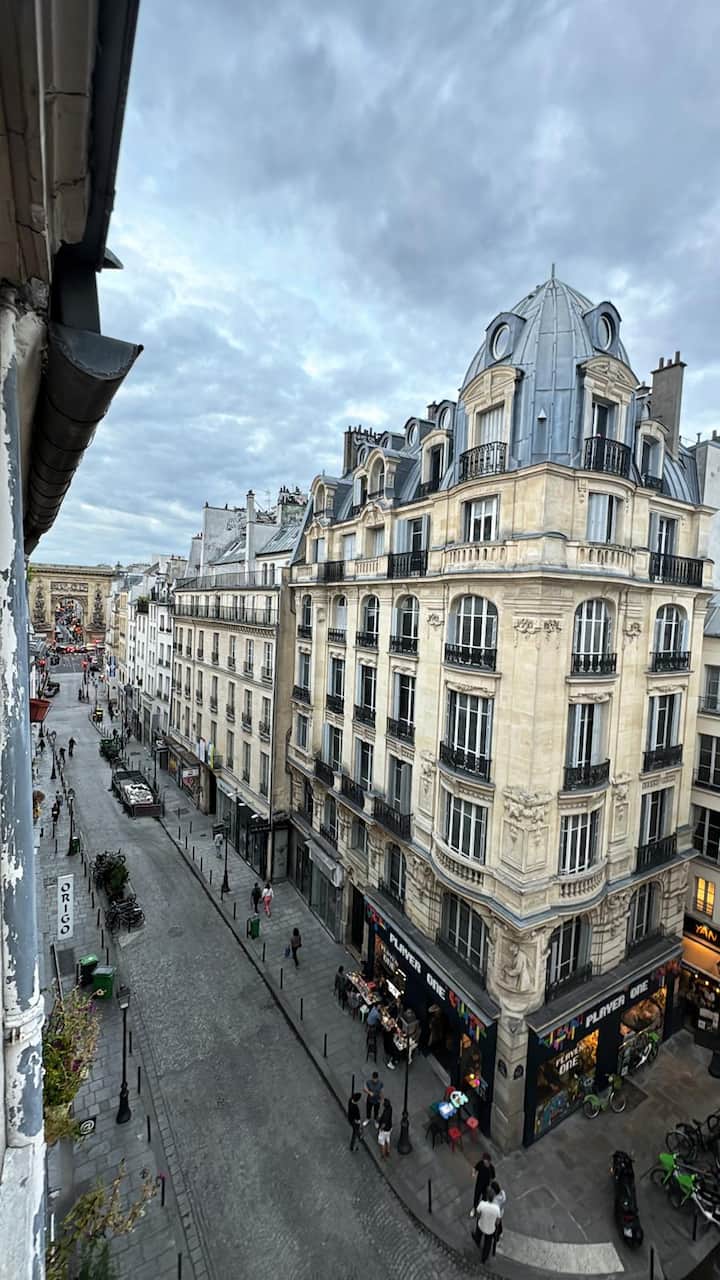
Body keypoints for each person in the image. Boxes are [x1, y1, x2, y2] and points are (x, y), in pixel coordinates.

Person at [473, 1189, 501, 1263]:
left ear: (487, 1197)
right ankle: (484, 1258)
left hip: (481, 1225)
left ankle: (477, 1240)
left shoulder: (482, 1204)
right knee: (487, 1244)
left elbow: (478, 1216)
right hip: (490, 1229)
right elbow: (497, 1222)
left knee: (478, 1234)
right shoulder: (497, 1209)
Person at [470, 1152, 496, 1217]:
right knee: (476, 1197)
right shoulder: (481, 1163)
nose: (485, 1163)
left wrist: (490, 1186)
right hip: (479, 1184)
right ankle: (474, 1208)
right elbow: (475, 1168)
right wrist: (473, 1173)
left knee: (484, 1199)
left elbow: (493, 1178)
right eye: (484, 1162)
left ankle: (480, 1209)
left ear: (489, 1161)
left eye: (486, 1162)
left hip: (486, 1186)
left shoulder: (492, 1168)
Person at [491, 1180, 506, 1256]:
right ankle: (499, 1233)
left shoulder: (495, 1201)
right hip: (501, 1213)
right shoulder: (503, 1193)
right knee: (499, 1225)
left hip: (496, 1215)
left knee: (496, 1227)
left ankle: (496, 1237)